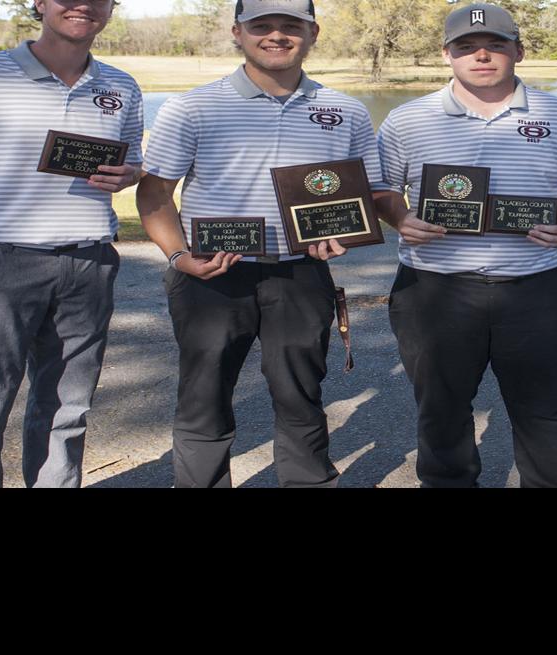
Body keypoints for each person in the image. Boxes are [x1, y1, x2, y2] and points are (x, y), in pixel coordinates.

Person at [136, 0, 396, 488]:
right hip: (210, 275)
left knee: (300, 396)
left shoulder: (345, 110)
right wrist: (179, 257)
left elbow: (367, 192)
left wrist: (341, 233)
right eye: (262, 25)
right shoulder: (192, 106)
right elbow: (153, 193)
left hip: (300, 272)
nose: (276, 35)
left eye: (290, 25)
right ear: (238, 32)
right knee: (204, 397)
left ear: (312, 33)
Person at [0, 0, 144, 488]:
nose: (82, 4)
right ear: (39, 3)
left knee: (67, 410)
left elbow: (135, 163)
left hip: (87, 263)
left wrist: (129, 174)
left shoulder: (120, 86)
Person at [372, 3, 557, 488]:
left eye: (495, 44)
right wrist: (400, 217)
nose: (481, 55)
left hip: (537, 286)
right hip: (434, 288)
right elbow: (384, 189)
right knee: (441, 412)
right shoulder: (407, 119)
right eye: (466, 47)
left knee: (547, 412)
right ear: (447, 54)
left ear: (518, 50)